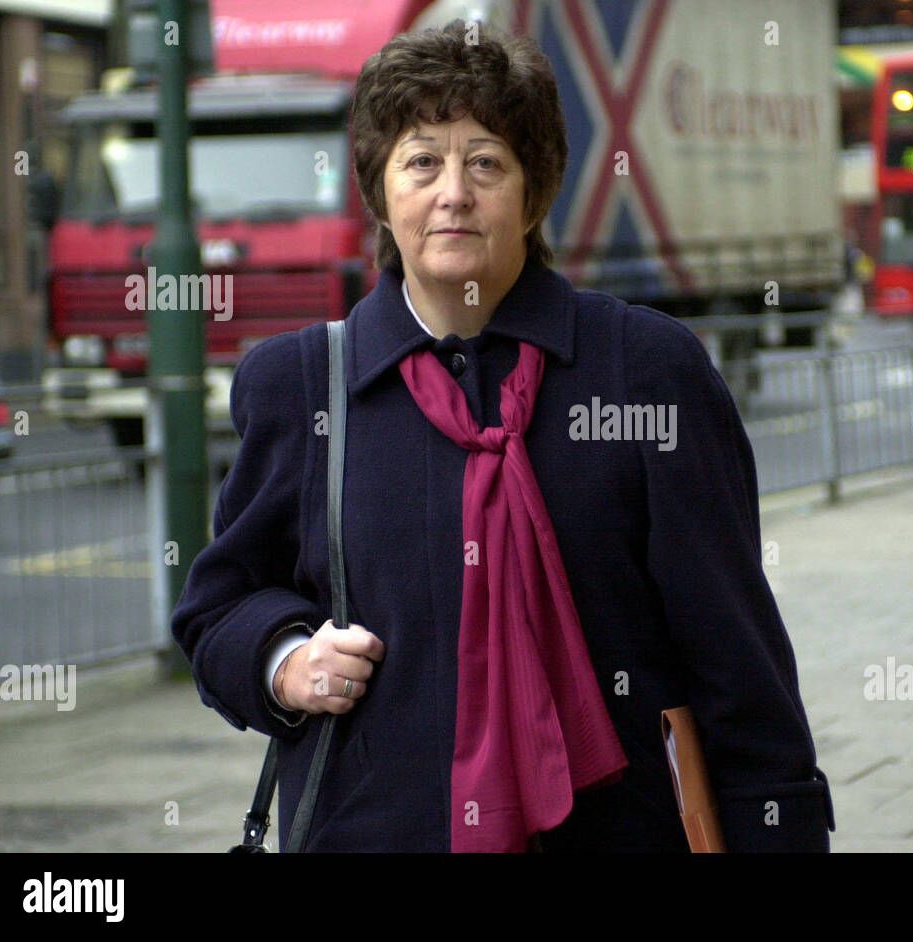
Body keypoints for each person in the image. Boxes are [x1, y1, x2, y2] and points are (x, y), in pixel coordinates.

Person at [171, 19, 833, 853]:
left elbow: (736, 654)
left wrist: (780, 824)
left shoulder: (645, 372)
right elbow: (218, 606)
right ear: (380, 194)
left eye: (486, 161)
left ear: (536, 190)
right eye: (421, 162)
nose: (454, 192)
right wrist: (286, 659)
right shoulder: (303, 386)